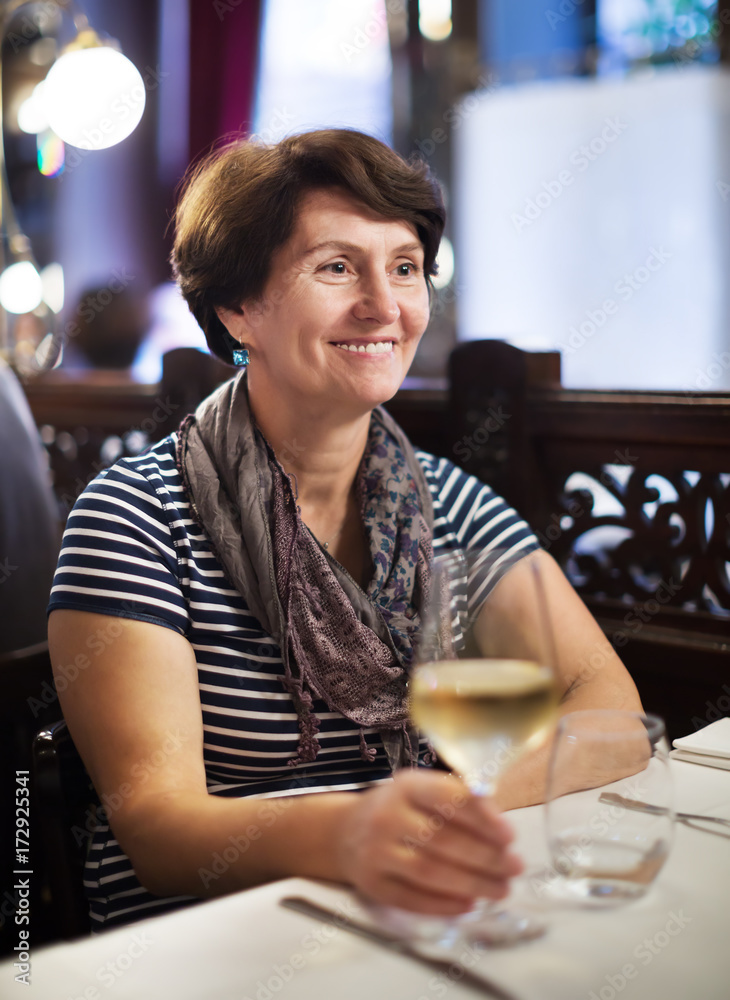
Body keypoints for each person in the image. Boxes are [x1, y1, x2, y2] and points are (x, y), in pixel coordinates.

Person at [47, 129, 641, 932]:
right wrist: (356, 827)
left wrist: (439, 817)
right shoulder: (136, 519)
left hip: (402, 915)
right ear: (237, 308)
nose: (385, 306)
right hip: (198, 949)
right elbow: (160, 830)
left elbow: (611, 715)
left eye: (405, 267)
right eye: (336, 267)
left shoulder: (449, 504)